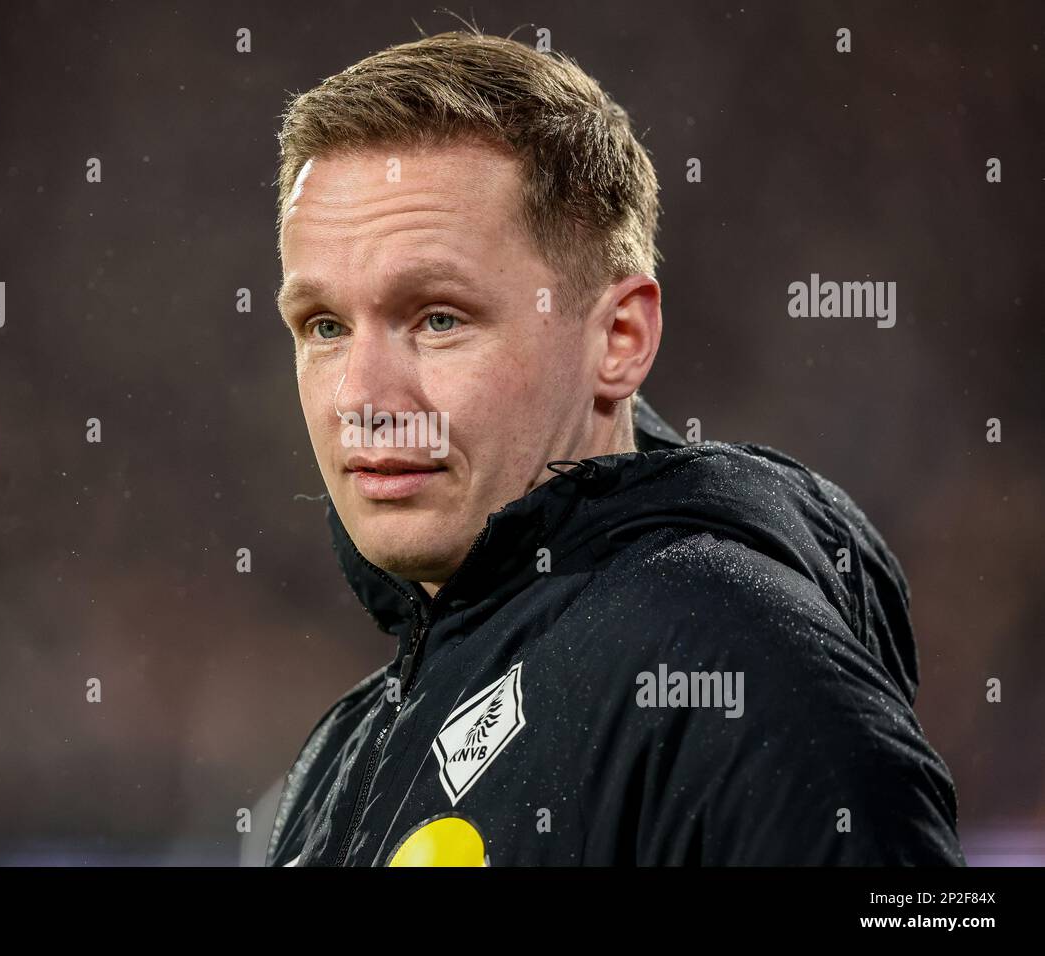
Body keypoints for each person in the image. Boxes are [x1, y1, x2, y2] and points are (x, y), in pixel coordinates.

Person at [265, 29, 964, 866]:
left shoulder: (736, 672)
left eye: (438, 318)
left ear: (619, 338)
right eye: (326, 326)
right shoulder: (343, 755)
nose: (362, 400)